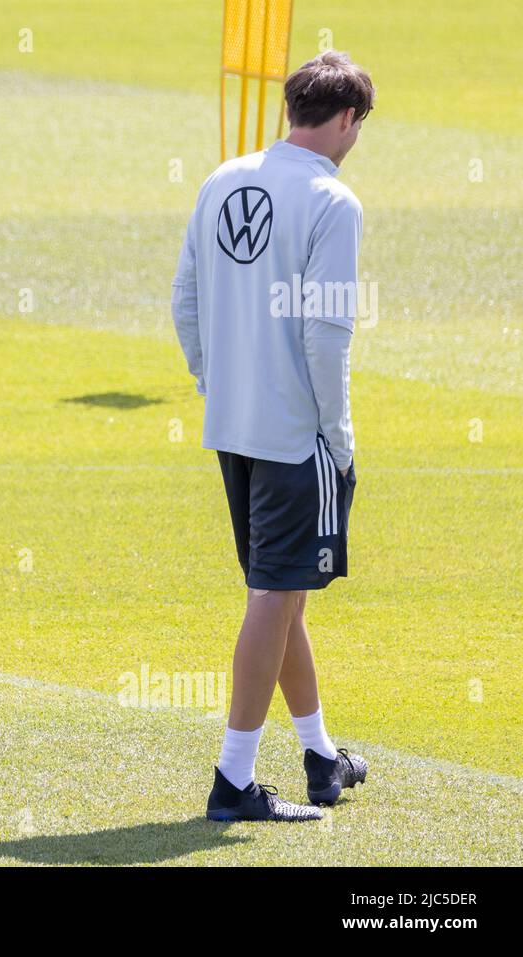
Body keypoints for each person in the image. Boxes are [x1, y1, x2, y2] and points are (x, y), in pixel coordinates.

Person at [171, 51, 374, 820]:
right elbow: (326, 336)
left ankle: (322, 756)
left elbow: (184, 301)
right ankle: (234, 779)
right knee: (273, 595)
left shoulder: (223, 177)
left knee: (280, 597)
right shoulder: (334, 201)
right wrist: (339, 434)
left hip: (233, 427)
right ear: (349, 118)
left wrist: (213, 383)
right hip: (297, 437)